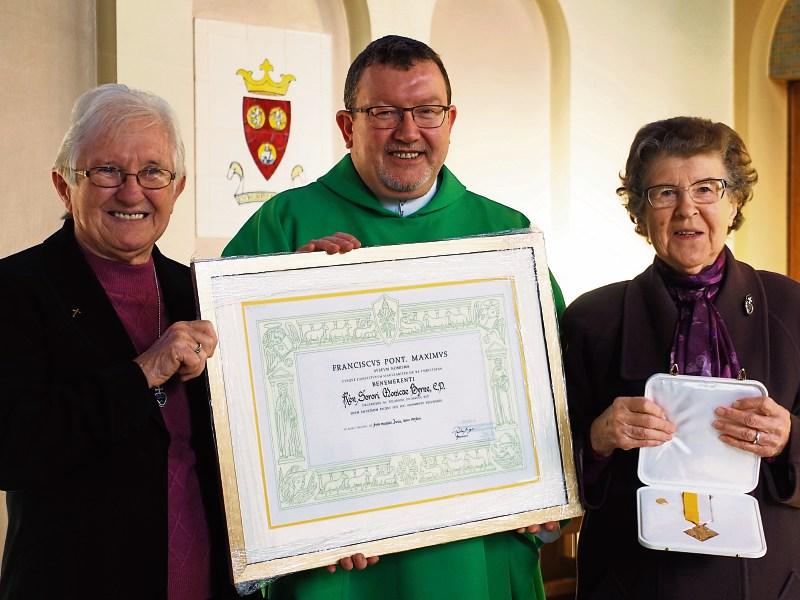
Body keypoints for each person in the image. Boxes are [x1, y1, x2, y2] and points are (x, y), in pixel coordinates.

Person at [224, 35, 564, 600]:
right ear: (346, 125)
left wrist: (545, 494)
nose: (408, 131)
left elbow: (556, 381)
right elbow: (228, 393)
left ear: (450, 120)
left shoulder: (503, 236)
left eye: (427, 110)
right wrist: (284, 298)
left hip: (473, 548)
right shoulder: (282, 227)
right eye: (383, 112)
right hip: (336, 563)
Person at [0, 84, 256, 599]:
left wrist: (304, 287)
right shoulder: (17, 291)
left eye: (153, 172)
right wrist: (144, 372)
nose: (132, 191)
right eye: (107, 171)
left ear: (177, 187)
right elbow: (12, 452)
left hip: (202, 582)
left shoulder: (198, 293)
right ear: (63, 184)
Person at [562, 116, 800, 599]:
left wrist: (789, 438)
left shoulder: (793, 308)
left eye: (706, 189)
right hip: (630, 579)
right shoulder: (591, 319)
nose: (687, 210)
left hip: (769, 581)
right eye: (664, 193)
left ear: (734, 202)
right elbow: (540, 472)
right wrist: (599, 437)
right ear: (639, 213)